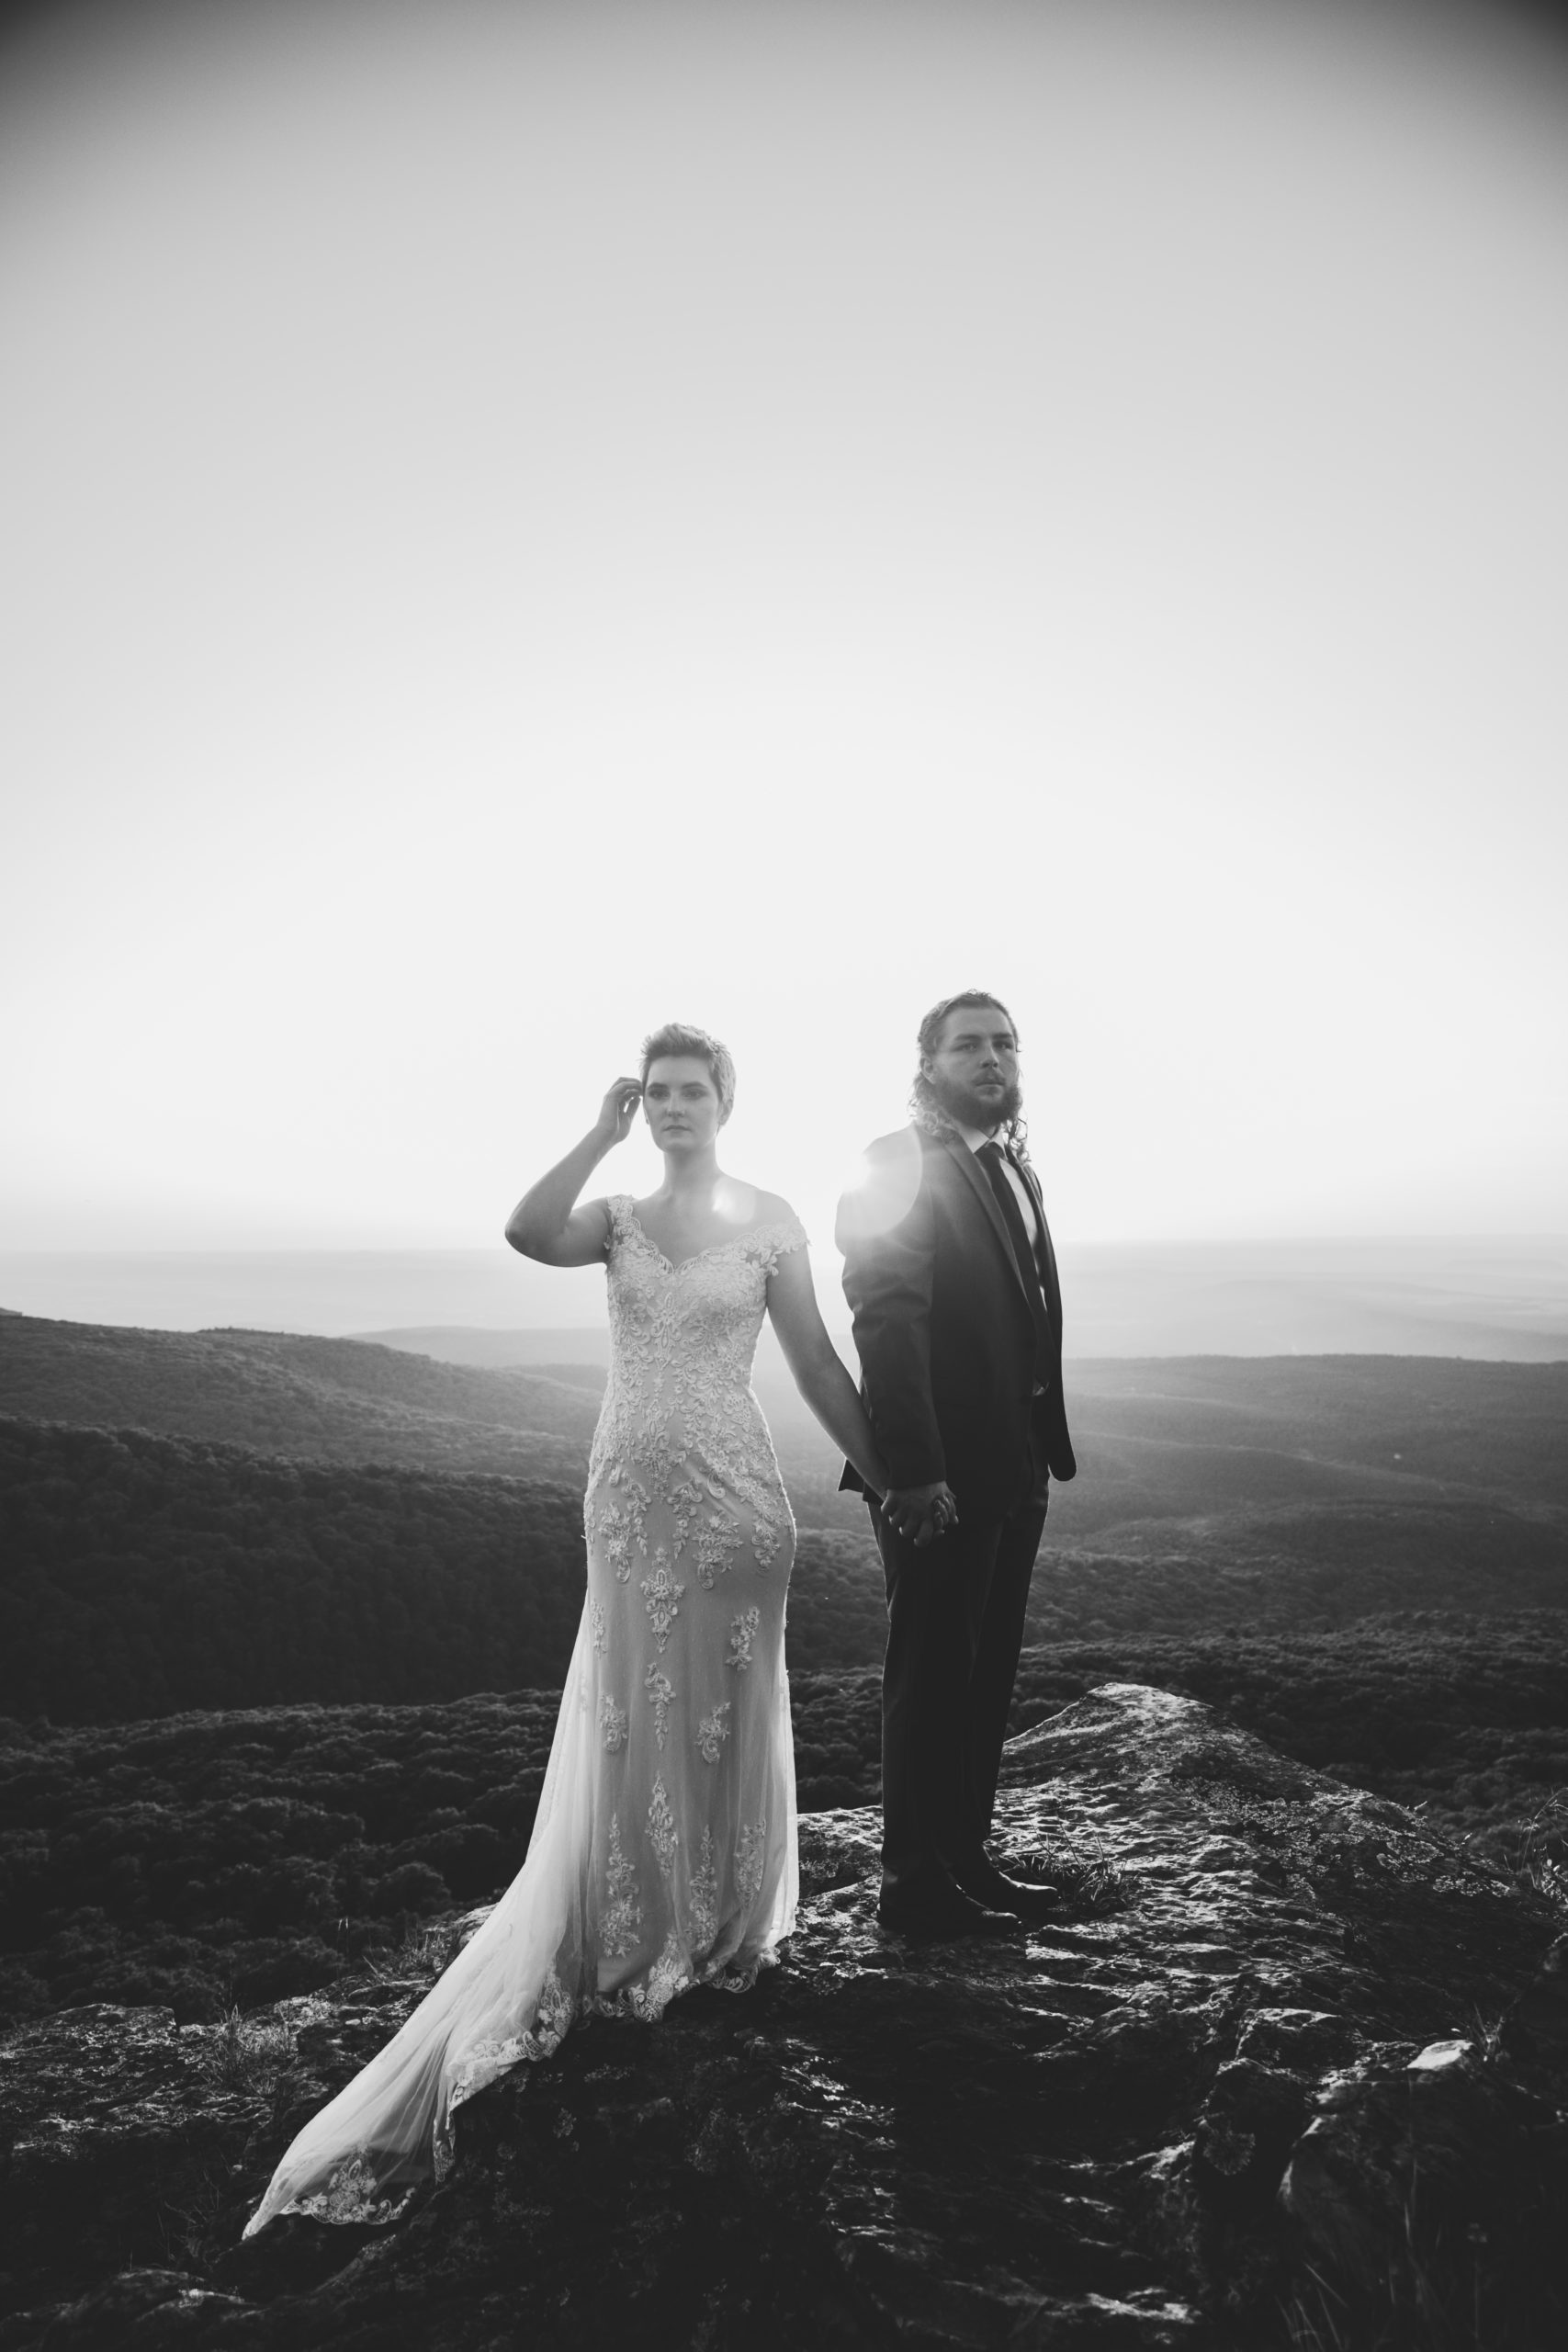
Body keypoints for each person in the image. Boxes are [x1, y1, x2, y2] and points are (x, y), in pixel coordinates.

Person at [245, 1023, 886, 2233]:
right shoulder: (613, 1220)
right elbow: (522, 1231)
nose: (675, 1106)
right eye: (657, 1093)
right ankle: (638, 1928)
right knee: (635, 1706)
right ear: (640, 1106)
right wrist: (595, 1133)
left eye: (693, 1089)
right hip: (632, 1504)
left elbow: (814, 1361)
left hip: (739, 1504)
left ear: (728, 1100)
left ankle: (719, 1926)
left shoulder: (770, 1217)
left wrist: (888, 1476)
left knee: (721, 1706)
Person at [836, 990, 1076, 1940]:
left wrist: (1037, 1449)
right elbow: (887, 1317)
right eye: (968, 1044)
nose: (991, 1057)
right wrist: (916, 1473)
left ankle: (966, 1856)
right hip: (937, 1473)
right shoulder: (898, 1163)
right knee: (931, 1669)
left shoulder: (1012, 1163)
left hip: (1019, 1464)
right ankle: (913, 1884)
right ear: (927, 1064)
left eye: (1005, 1042)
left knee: (985, 1671)